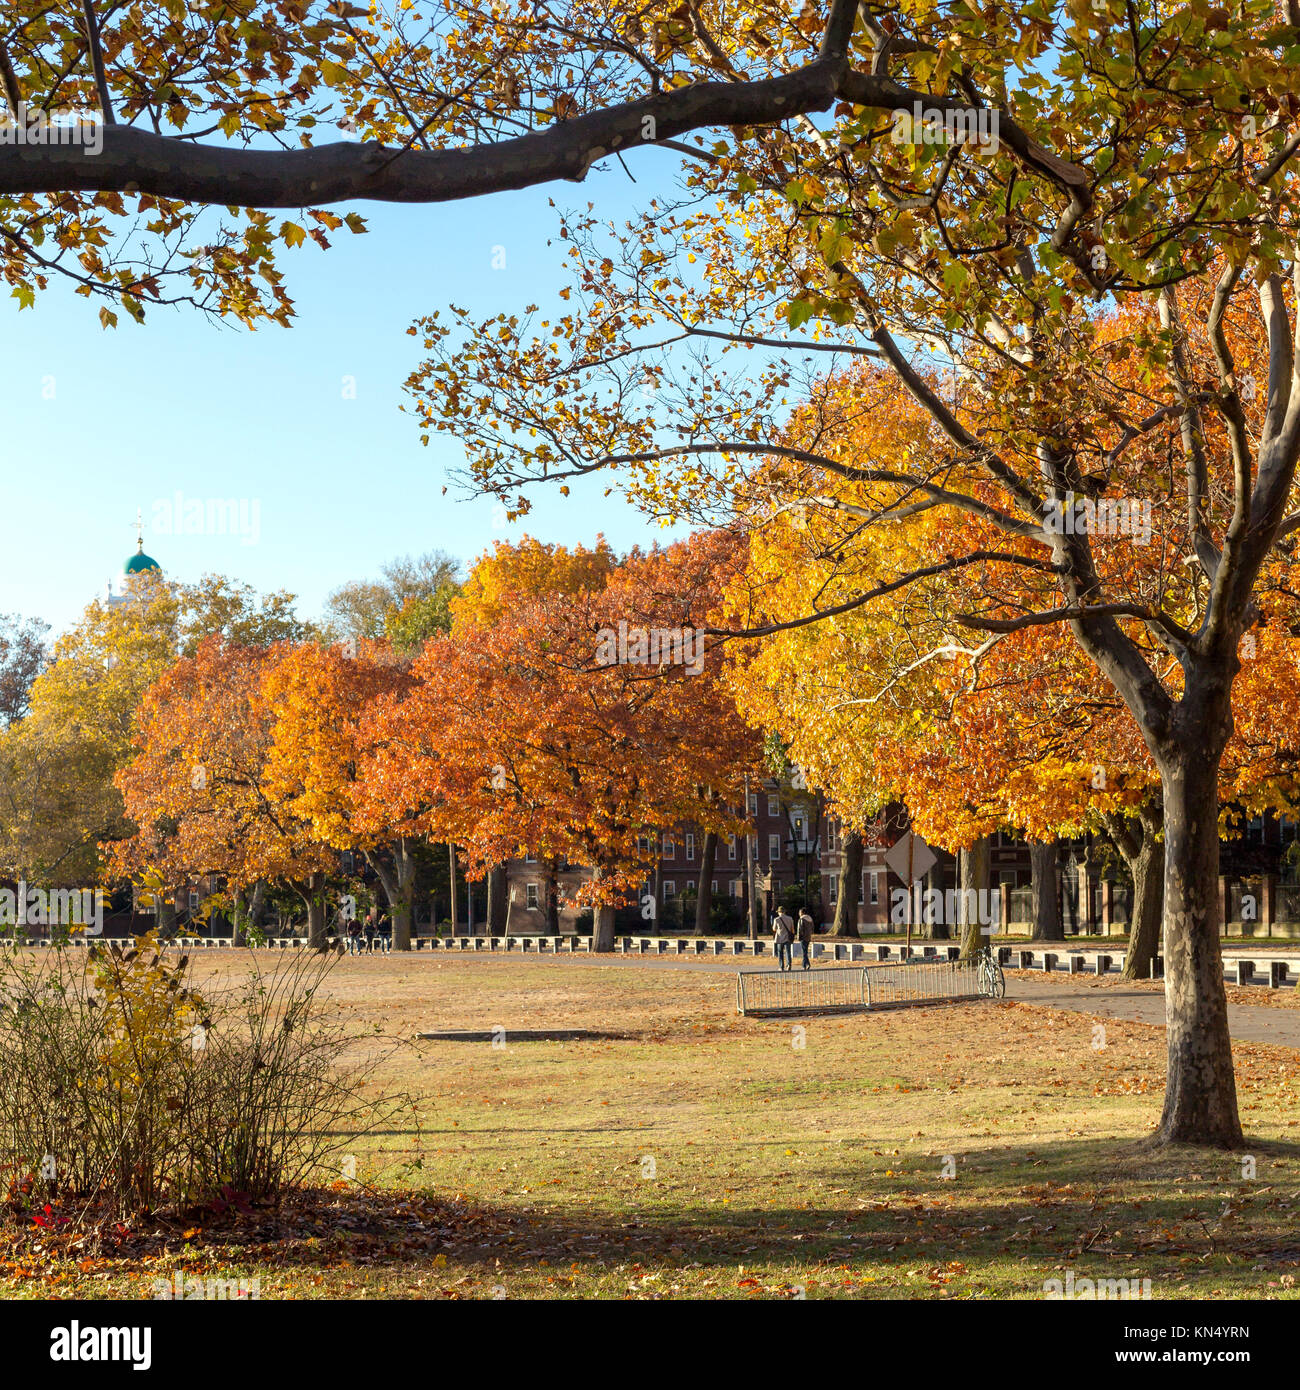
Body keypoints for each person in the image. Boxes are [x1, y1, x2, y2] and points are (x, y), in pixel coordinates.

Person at [773, 907, 795, 972]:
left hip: (779, 938)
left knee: (780, 953)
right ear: (784, 912)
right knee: (788, 952)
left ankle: (781, 966)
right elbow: (792, 929)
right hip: (787, 938)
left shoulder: (776, 919)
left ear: (779, 912)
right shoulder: (790, 918)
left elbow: (774, 929)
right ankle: (788, 965)